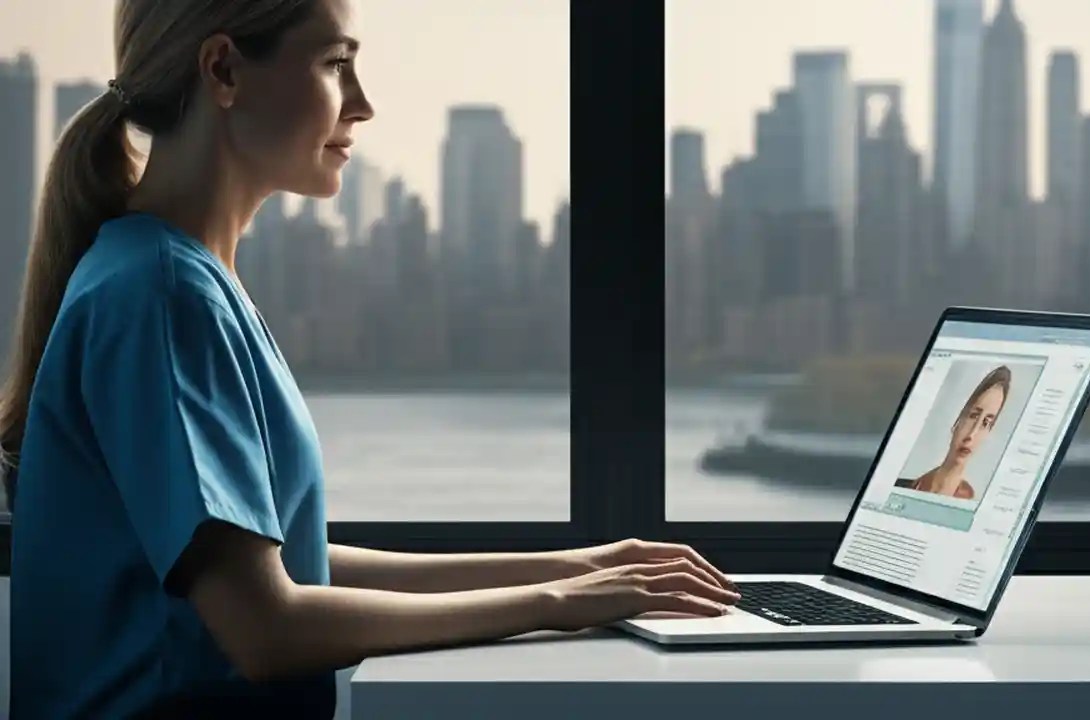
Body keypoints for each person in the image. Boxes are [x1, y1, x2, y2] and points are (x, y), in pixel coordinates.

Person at [0, 1, 739, 716]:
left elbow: (289, 566)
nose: (362, 105)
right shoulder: (162, 295)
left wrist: (575, 567)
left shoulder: (175, 278)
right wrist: (554, 605)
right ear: (223, 69)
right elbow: (265, 627)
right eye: (336, 64)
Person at [895, 365, 1013, 501]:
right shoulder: (900, 487)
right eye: (973, 416)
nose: (972, 434)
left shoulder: (970, 504)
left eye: (986, 423)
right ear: (957, 417)